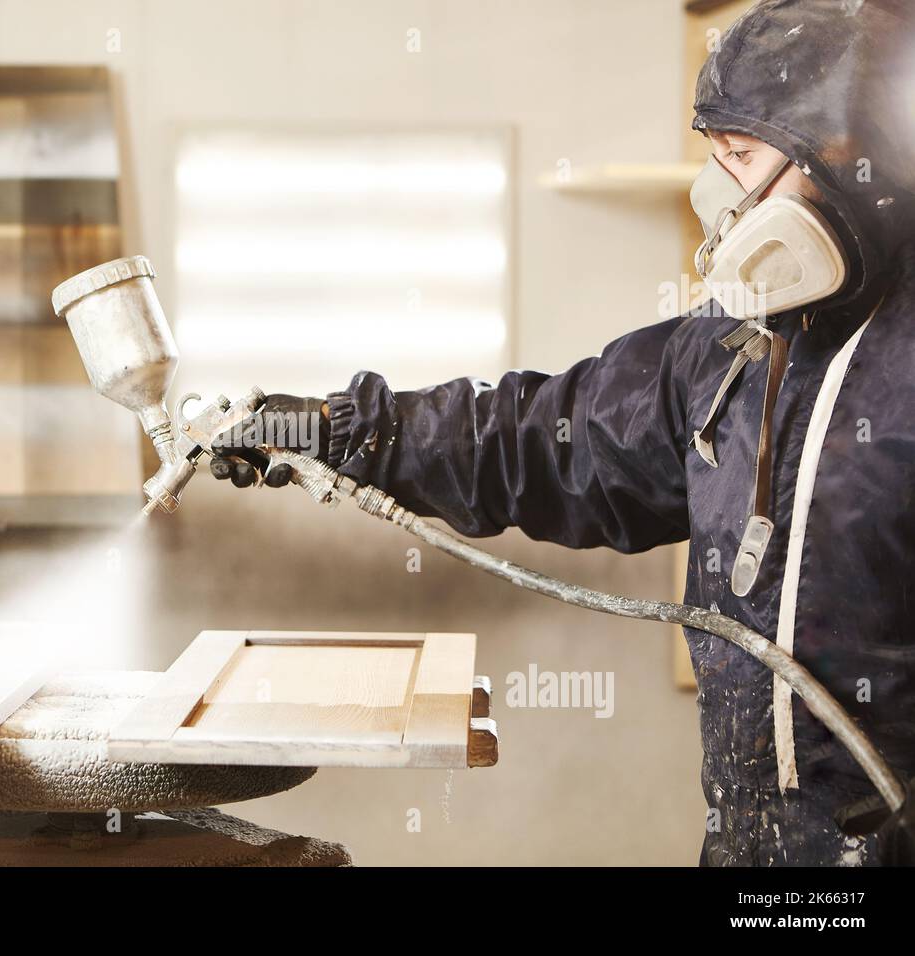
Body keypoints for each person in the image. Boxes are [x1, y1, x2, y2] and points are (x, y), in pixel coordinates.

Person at [212, 0, 915, 866]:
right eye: (713, 157)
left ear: (848, 156)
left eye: (740, 157)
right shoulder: (731, 351)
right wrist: (336, 431)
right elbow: (541, 438)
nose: (718, 195)